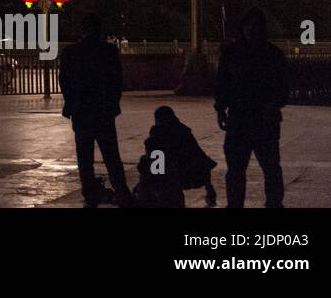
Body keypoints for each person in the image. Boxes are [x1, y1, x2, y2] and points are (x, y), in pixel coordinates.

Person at [215, 7, 289, 208]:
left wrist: (273, 104)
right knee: (238, 168)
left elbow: (283, 87)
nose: (251, 30)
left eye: (255, 26)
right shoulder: (234, 53)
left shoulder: (271, 55)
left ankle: (273, 203)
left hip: (262, 118)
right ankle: (236, 203)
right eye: (248, 26)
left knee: (270, 167)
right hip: (241, 118)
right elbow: (222, 84)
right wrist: (220, 108)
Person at [59, 13, 132, 207]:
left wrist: (72, 103)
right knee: (111, 154)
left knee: (84, 156)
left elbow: (65, 82)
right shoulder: (108, 51)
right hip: (103, 110)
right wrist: (113, 103)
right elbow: (117, 79)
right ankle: (121, 190)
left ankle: (89, 191)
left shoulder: (70, 52)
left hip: (82, 111)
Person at [132, 105, 218, 208]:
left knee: (147, 166)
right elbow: (200, 159)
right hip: (181, 178)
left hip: (167, 181)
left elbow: (154, 168)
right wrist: (209, 188)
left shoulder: (157, 137)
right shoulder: (184, 133)